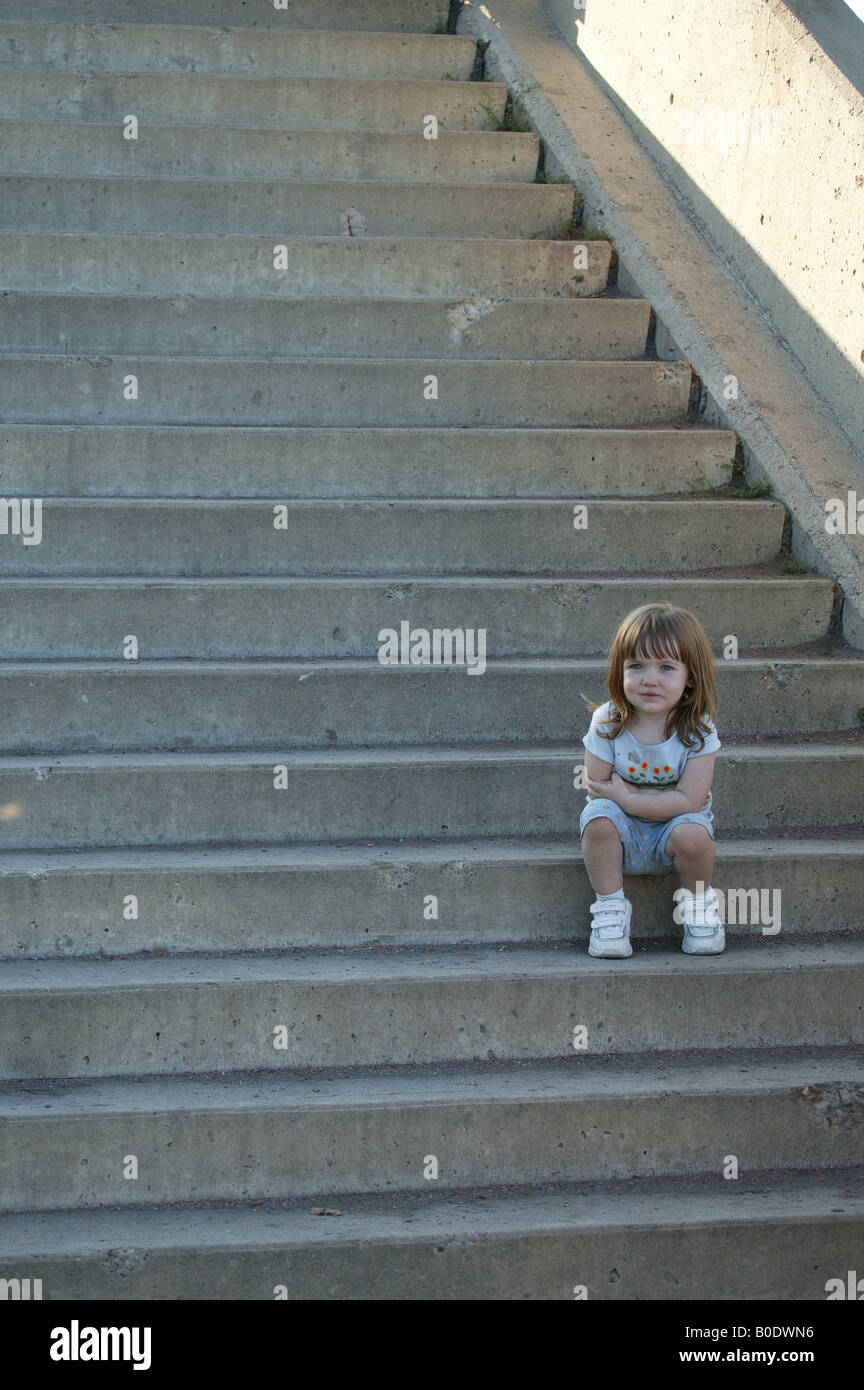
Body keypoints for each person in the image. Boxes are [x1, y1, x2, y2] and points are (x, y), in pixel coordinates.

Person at [579, 602, 724, 958]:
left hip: (675, 830)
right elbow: (598, 786)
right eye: (636, 666)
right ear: (620, 670)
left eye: (666, 667)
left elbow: (690, 801)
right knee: (597, 820)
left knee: (695, 834)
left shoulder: (698, 729)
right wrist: (649, 800)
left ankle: (699, 906)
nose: (649, 679)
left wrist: (630, 798)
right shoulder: (608, 721)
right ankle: (610, 908)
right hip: (622, 831)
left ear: (691, 676)